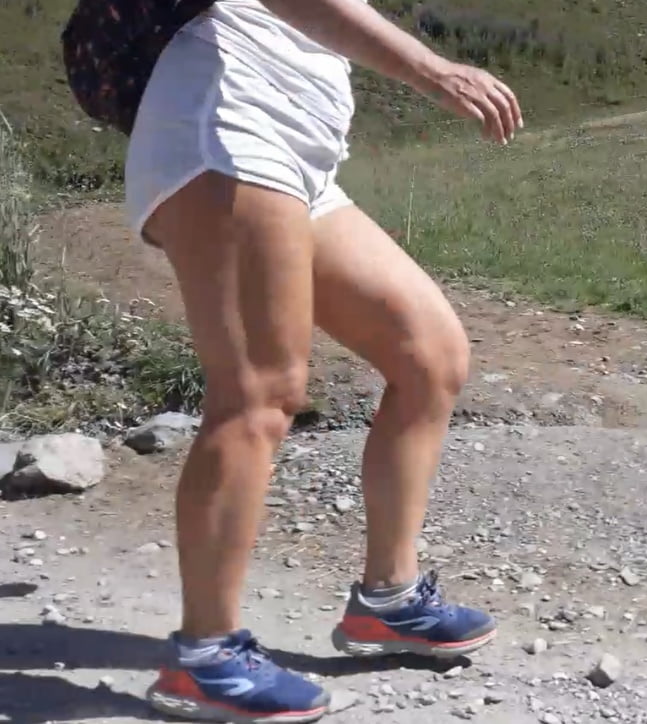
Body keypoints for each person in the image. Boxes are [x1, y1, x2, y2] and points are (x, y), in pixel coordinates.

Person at [61, 0, 523, 721]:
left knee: (430, 356)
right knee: (259, 392)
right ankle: (206, 657)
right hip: (226, 117)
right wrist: (432, 70)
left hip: (299, 141)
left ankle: (388, 600)